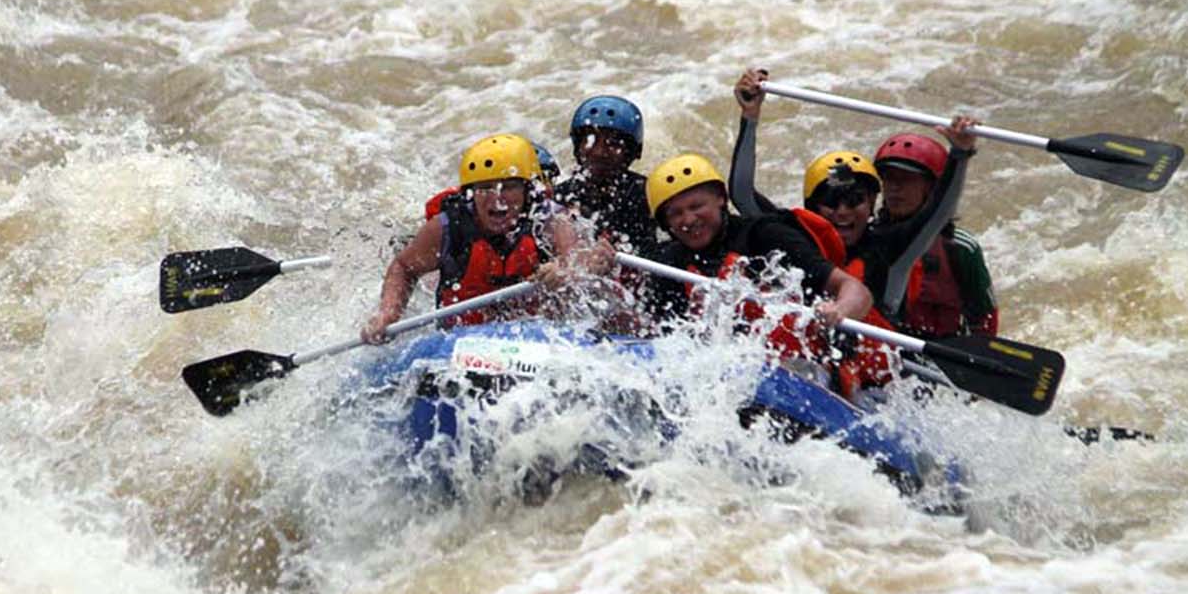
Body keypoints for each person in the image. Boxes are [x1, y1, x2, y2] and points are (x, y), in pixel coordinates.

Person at [730, 67, 988, 336]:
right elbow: (741, 194)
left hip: (879, 358)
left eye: (855, 200)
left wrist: (960, 154)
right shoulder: (793, 237)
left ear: (872, 202)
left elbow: (936, 215)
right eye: (831, 200)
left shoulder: (891, 250)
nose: (843, 212)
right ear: (812, 206)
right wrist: (750, 116)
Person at [638, 152, 872, 360]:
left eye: (696, 206)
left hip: (799, 366)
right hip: (719, 368)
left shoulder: (768, 236)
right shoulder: (668, 263)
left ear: (720, 199)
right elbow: (652, 333)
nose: (688, 220)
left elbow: (856, 290)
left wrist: (839, 310)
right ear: (665, 223)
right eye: (676, 214)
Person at [361, 134, 585, 343]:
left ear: (527, 191)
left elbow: (577, 262)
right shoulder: (447, 227)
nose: (497, 198)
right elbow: (404, 268)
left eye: (508, 187)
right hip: (459, 341)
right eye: (485, 188)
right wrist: (388, 313)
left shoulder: (551, 220)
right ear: (472, 193)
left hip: (536, 337)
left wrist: (562, 270)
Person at [873, 130, 998, 338]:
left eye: (906, 179)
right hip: (889, 343)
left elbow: (986, 318)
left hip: (944, 346)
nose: (895, 188)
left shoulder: (961, 248)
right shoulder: (869, 238)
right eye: (889, 178)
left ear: (933, 188)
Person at [553, 95, 658, 255]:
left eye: (613, 143)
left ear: (630, 152)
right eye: (591, 140)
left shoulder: (650, 196)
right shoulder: (559, 198)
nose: (599, 152)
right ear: (578, 147)